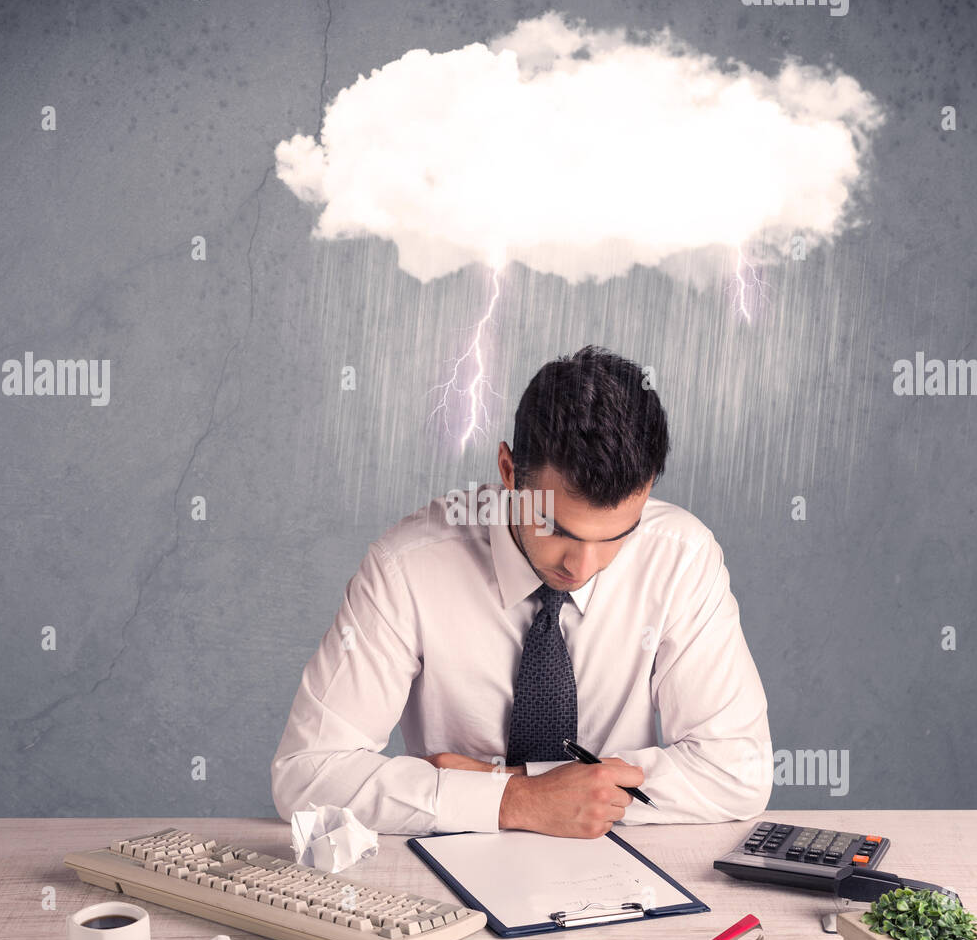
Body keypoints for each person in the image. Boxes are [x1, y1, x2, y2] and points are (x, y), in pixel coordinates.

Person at [271, 345, 772, 838]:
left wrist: (507, 785)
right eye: (558, 529)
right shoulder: (407, 567)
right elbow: (306, 775)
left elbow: (738, 771)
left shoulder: (680, 556)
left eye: (617, 536)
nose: (583, 566)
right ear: (509, 473)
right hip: (452, 876)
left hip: (623, 870)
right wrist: (518, 803)